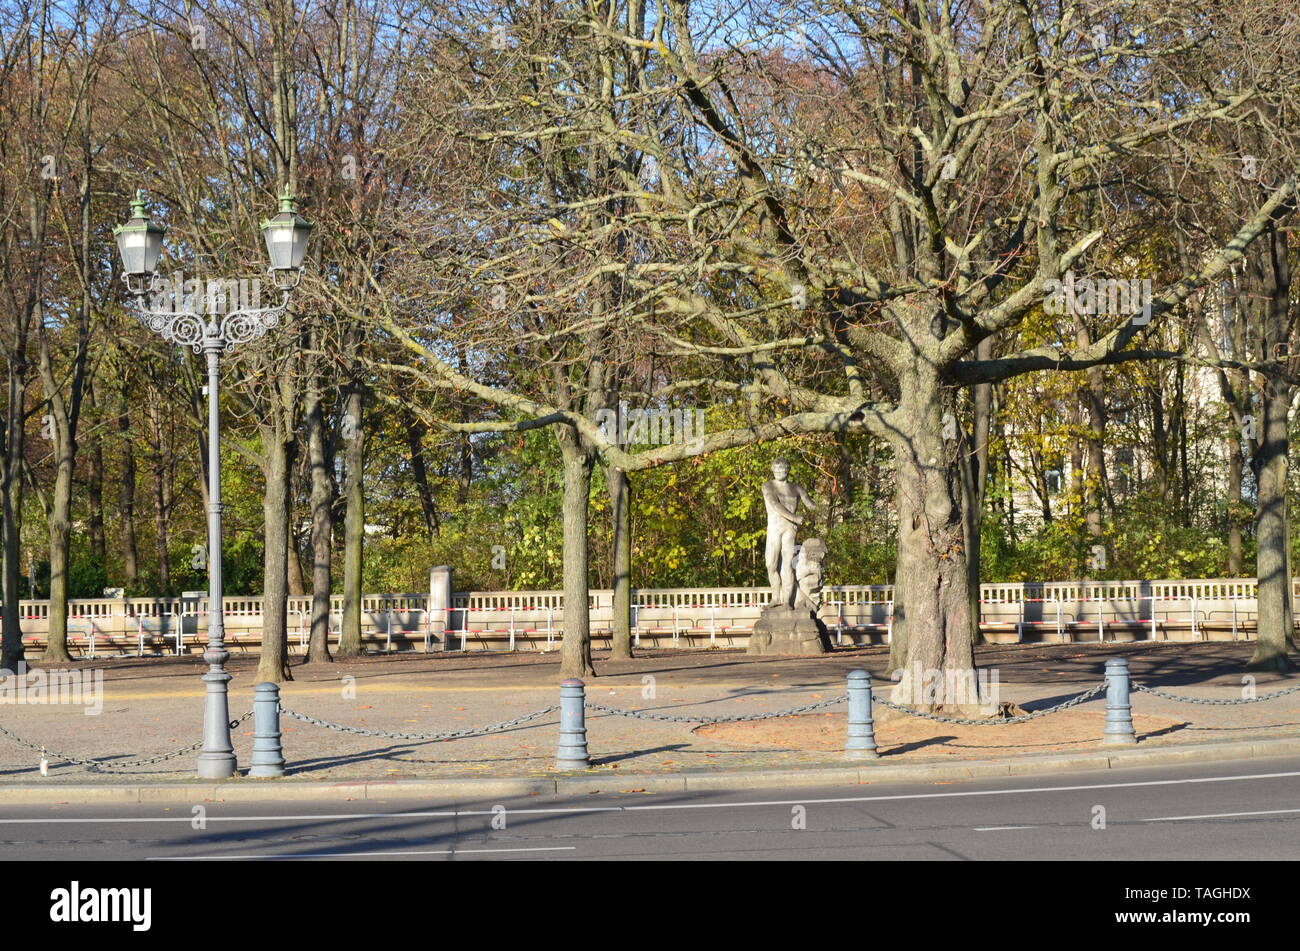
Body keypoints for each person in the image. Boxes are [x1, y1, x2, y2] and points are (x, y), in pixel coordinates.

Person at [762, 458, 814, 606]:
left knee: (787, 565)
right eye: (776, 469)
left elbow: (811, 505)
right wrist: (795, 517)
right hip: (774, 527)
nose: (779, 471)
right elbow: (774, 504)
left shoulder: (796, 488)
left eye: (783, 469)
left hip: (789, 529)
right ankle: (775, 597)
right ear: (772, 470)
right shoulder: (768, 486)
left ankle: (786, 602)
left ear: (788, 470)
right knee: (771, 564)